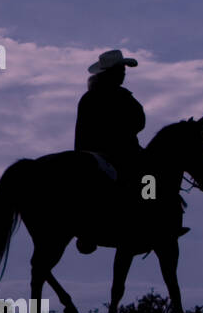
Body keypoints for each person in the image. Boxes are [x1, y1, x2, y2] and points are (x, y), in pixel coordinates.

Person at [73, 49, 184, 252]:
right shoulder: (121, 96)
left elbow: (83, 132)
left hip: (88, 152)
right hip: (121, 152)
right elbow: (138, 122)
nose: (124, 73)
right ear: (113, 72)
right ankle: (150, 216)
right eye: (121, 69)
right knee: (149, 175)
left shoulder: (89, 98)